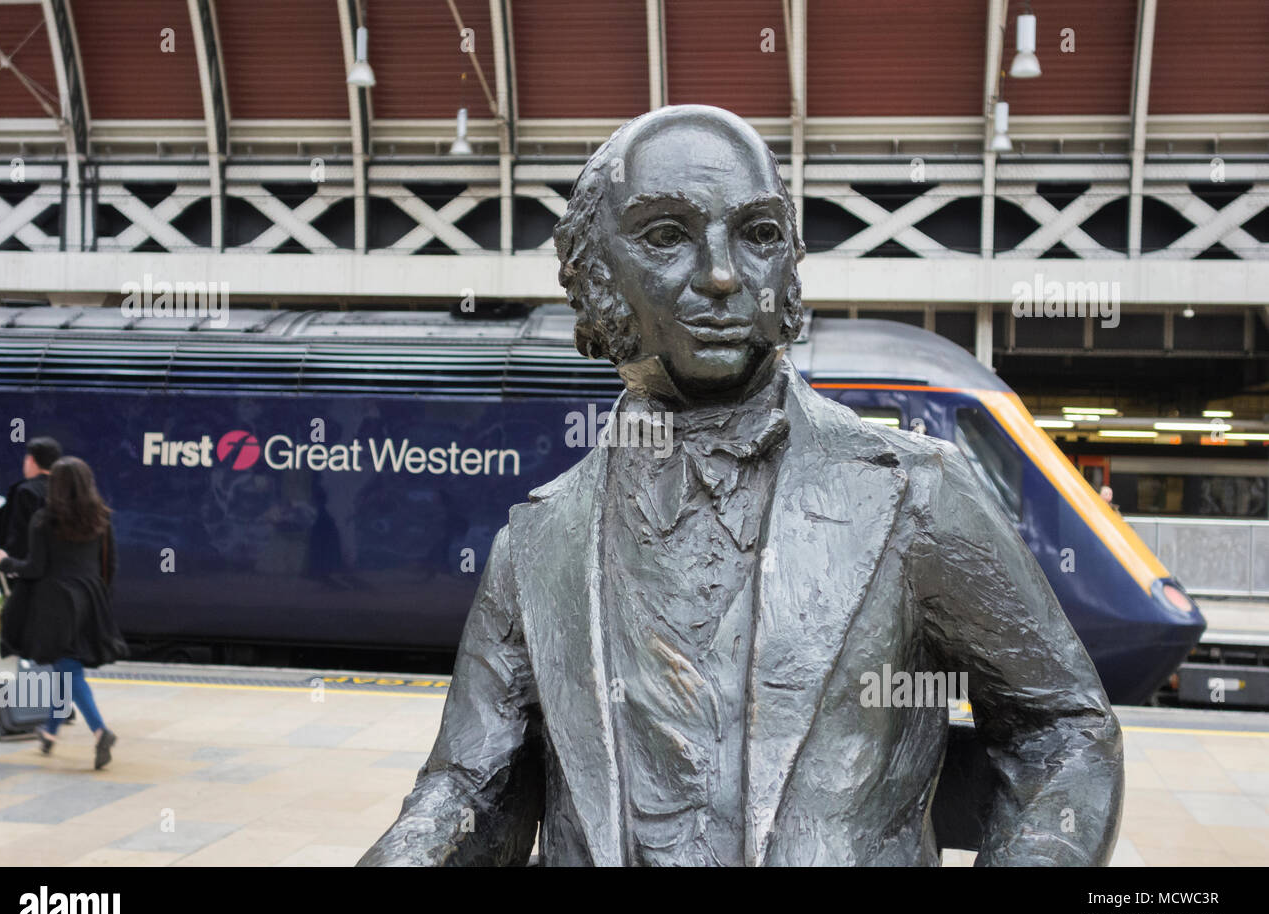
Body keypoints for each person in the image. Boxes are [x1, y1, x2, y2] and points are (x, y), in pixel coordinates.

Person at [359, 105, 1123, 867]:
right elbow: (472, 787)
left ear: (788, 262)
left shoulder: (915, 496)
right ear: (596, 274)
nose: (724, 276)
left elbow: (1061, 731)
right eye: (667, 235)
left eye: (757, 234)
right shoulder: (533, 544)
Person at [0, 456, 127, 769]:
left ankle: (101, 730)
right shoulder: (101, 518)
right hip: (90, 597)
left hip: (56, 602)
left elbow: (34, 568)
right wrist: (99, 595)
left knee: (67, 667)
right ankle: (49, 734)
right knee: (66, 666)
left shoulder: (44, 520)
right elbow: (111, 564)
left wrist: (3, 563)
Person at [0, 437, 62, 591]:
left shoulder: (25, 491)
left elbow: (17, 537)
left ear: (31, 460)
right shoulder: (63, 490)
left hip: (24, 573)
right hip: (56, 574)